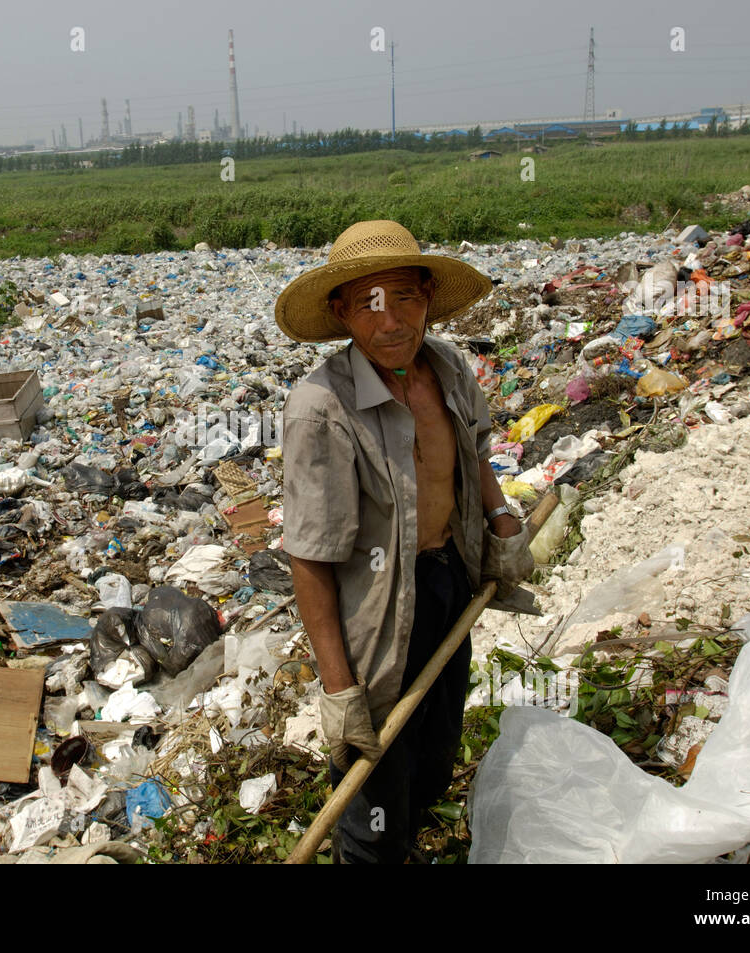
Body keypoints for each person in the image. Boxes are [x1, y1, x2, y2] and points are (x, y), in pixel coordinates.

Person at [275, 220, 534, 863]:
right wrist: (339, 690)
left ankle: (406, 844)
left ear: (426, 298)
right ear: (342, 313)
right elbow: (309, 558)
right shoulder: (321, 407)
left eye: (406, 299)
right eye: (369, 304)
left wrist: (501, 526)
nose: (392, 324)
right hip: (374, 613)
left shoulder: (445, 367)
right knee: (372, 789)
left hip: (448, 582)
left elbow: (474, 454)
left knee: (434, 748)